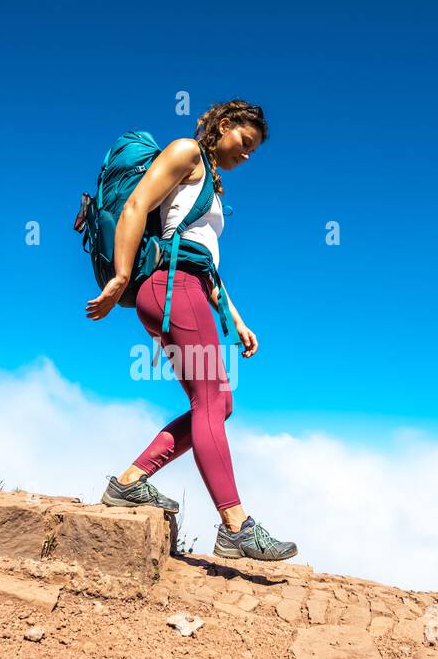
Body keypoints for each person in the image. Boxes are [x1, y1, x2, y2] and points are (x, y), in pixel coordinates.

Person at [84, 100, 296, 561]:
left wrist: (236, 320)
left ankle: (128, 483)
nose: (247, 154)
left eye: (254, 150)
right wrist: (121, 276)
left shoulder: (211, 187)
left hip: (192, 288)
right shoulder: (185, 152)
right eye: (244, 141)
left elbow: (204, 261)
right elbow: (138, 204)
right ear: (222, 126)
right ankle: (235, 525)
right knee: (208, 399)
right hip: (172, 288)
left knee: (220, 401)